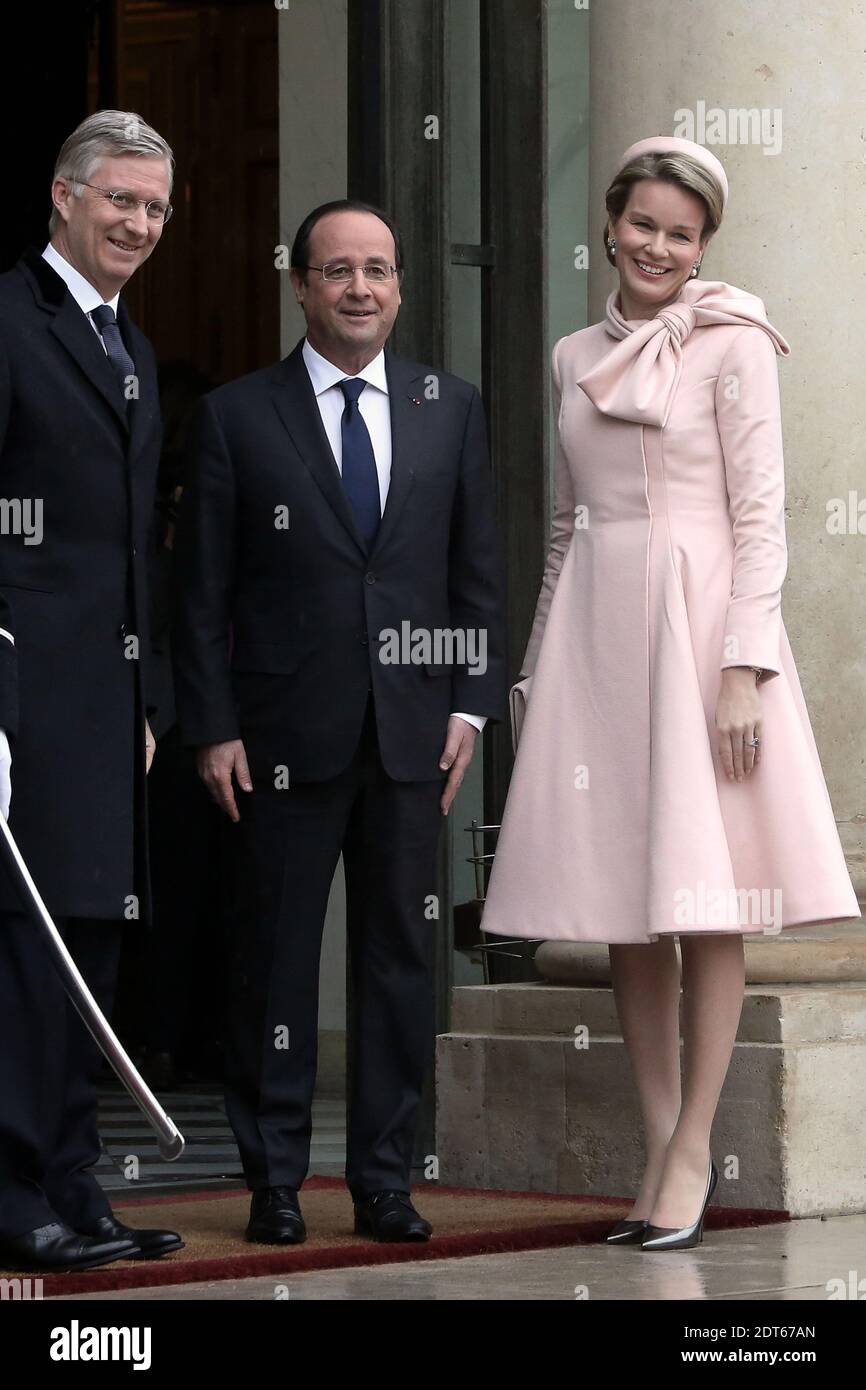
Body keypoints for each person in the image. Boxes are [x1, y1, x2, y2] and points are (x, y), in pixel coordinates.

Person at [481, 136, 860, 1251]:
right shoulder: (566, 355)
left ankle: (696, 1143)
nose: (655, 245)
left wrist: (745, 666)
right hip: (596, 643)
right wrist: (536, 668)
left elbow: (759, 518)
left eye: (679, 233)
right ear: (610, 225)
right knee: (623, 911)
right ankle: (655, 1145)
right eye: (641, 223)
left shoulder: (734, 341)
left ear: (701, 247)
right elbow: (563, 530)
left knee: (713, 899)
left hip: (702, 643)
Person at [172, 200, 506, 1244]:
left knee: (400, 961)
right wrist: (211, 725)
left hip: (411, 735)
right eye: (338, 271)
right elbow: (199, 593)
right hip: (275, 739)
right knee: (271, 960)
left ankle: (383, 1180)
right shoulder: (235, 415)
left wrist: (466, 703)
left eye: (378, 270)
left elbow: (475, 576)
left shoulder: (449, 407)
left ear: (399, 286)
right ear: (301, 284)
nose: (360, 288)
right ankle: (273, 1180)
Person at [0, 110, 182, 1272]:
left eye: (157, 208)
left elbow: (135, 546)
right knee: (25, 952)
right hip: (24, 691)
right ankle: (18, 1198)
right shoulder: (8, 317)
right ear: (64, 198)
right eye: (121, 199)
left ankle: (75, 1185)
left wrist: (152, 698)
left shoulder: (131, 346)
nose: (139, 223)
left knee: (87, 949)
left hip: (108, 704)